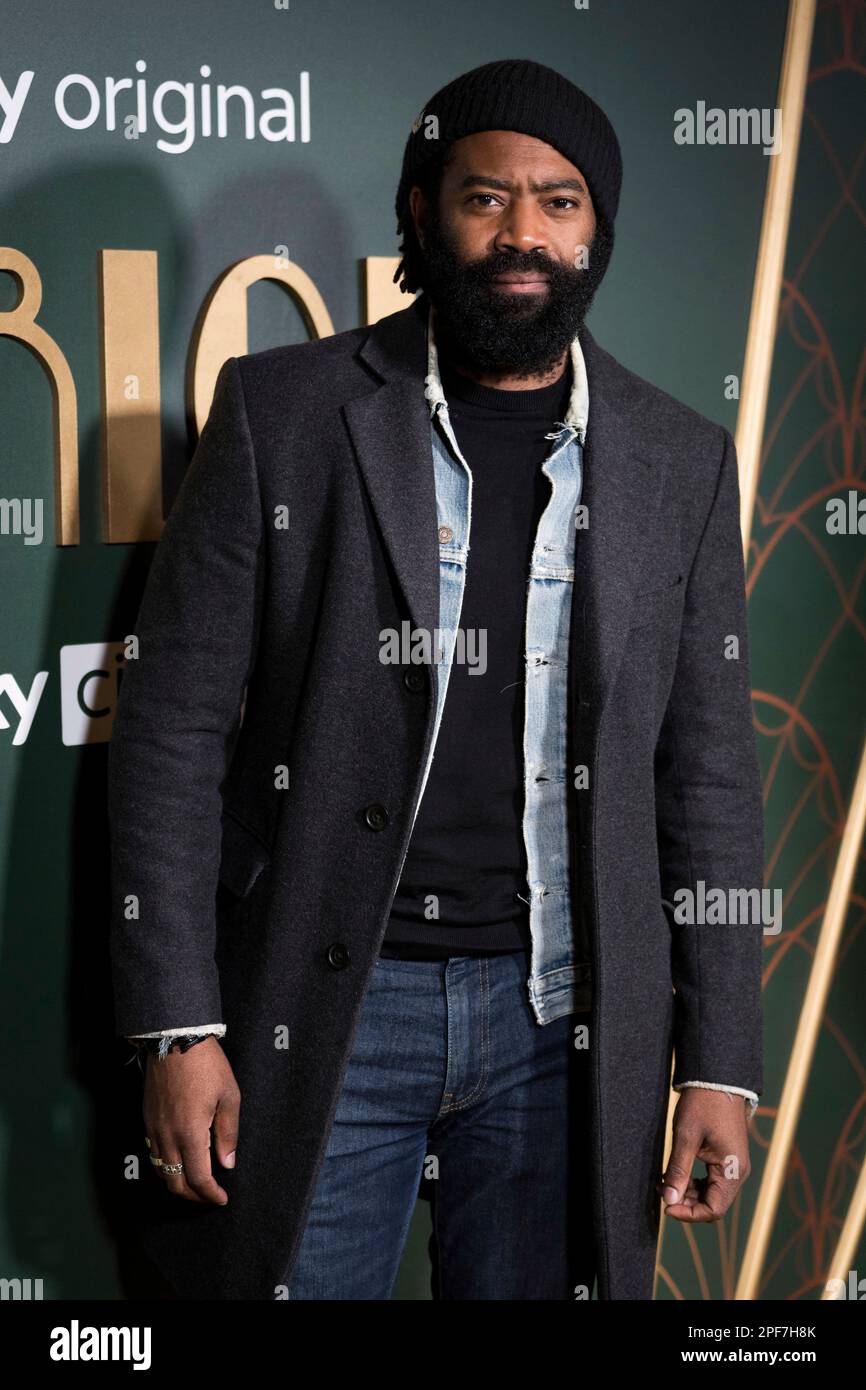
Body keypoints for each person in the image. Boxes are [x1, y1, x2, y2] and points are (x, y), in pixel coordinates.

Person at [108, 58, 764, 1301]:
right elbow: (173, 734)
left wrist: (721, 1056)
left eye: (559, 201)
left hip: (563, 1025)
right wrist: (178, 1025)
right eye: (485, 196)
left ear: (596, 230)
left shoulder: (680, 457)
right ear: (422, 213)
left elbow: (709, 772)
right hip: (327, 1014)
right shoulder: (281, 414)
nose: (523, 231)